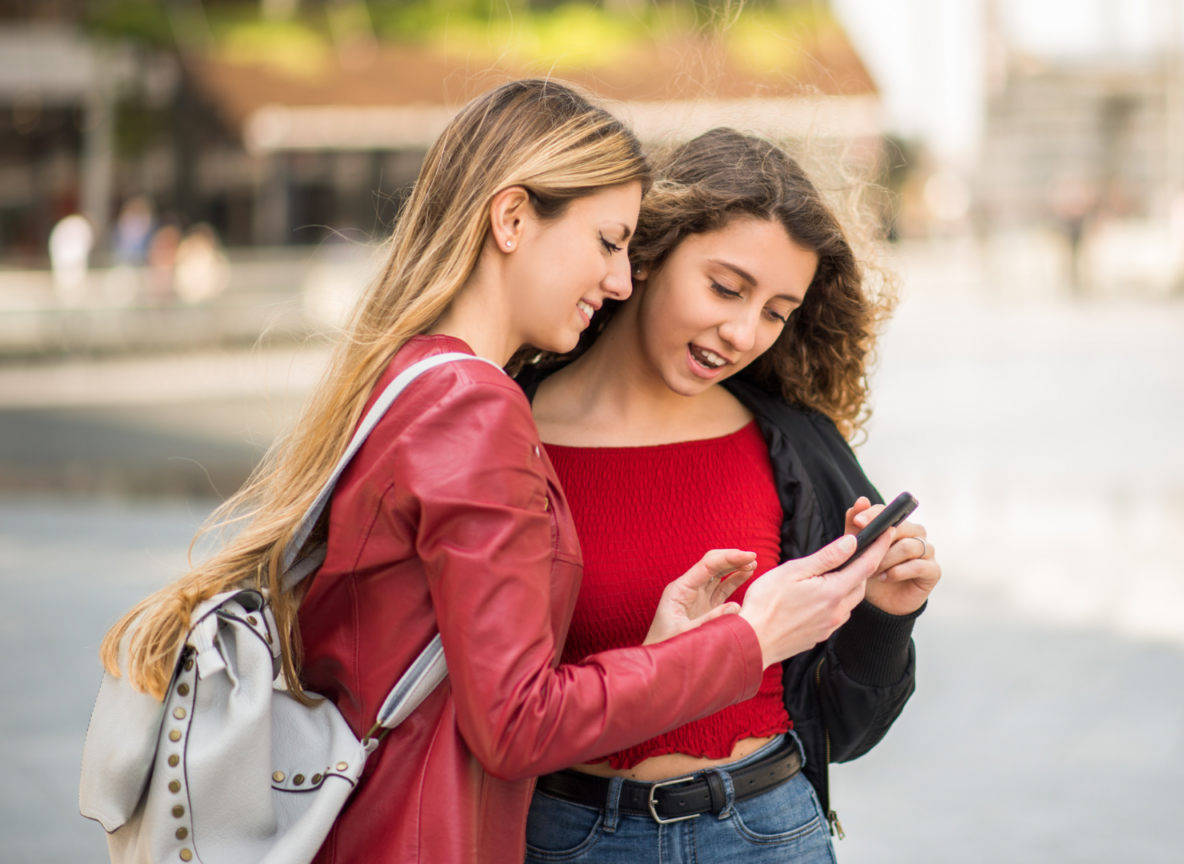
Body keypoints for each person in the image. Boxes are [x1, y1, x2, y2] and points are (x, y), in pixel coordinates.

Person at [97, 81, 896, 864]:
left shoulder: (414, 378)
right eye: (611, 242)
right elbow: (516, 725)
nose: (621, 276)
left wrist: (663, 646)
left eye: (776, 311)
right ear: (512, 217)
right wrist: (747, 638)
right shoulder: (477, 409)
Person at [518, 128, 941, 862]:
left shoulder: (795, 448)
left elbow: (847, 728)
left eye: (776, 312)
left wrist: (886, 615)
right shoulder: (508, 432)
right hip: (567, 838)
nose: (744, 332)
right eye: (725, 287)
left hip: (770, 830)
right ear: (645, 254)